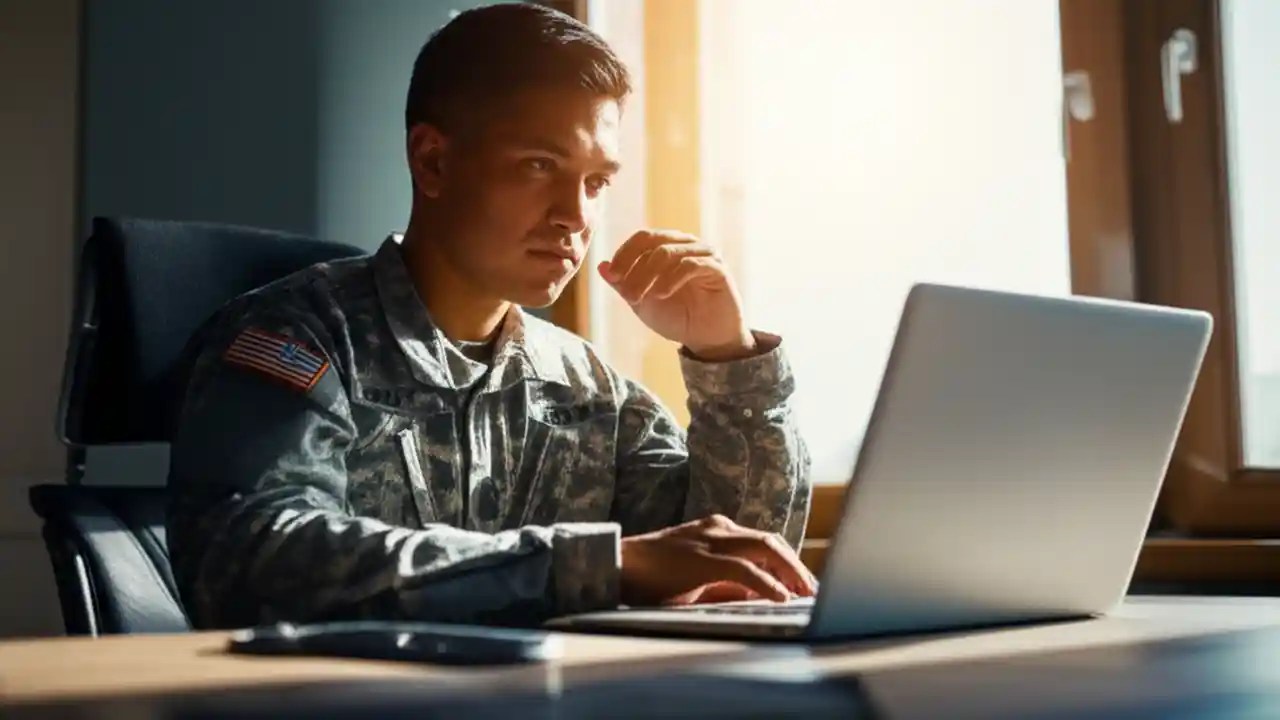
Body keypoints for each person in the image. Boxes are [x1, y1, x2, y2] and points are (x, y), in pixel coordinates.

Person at [166, 3, 814, 629]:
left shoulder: (586, 386)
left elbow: (738, 567)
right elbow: (251, 562)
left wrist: (726, 358)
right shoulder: (299, 340)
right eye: (540, 166)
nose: (575, 216)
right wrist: (588, 566)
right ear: (433, 161)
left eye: (596, 182)